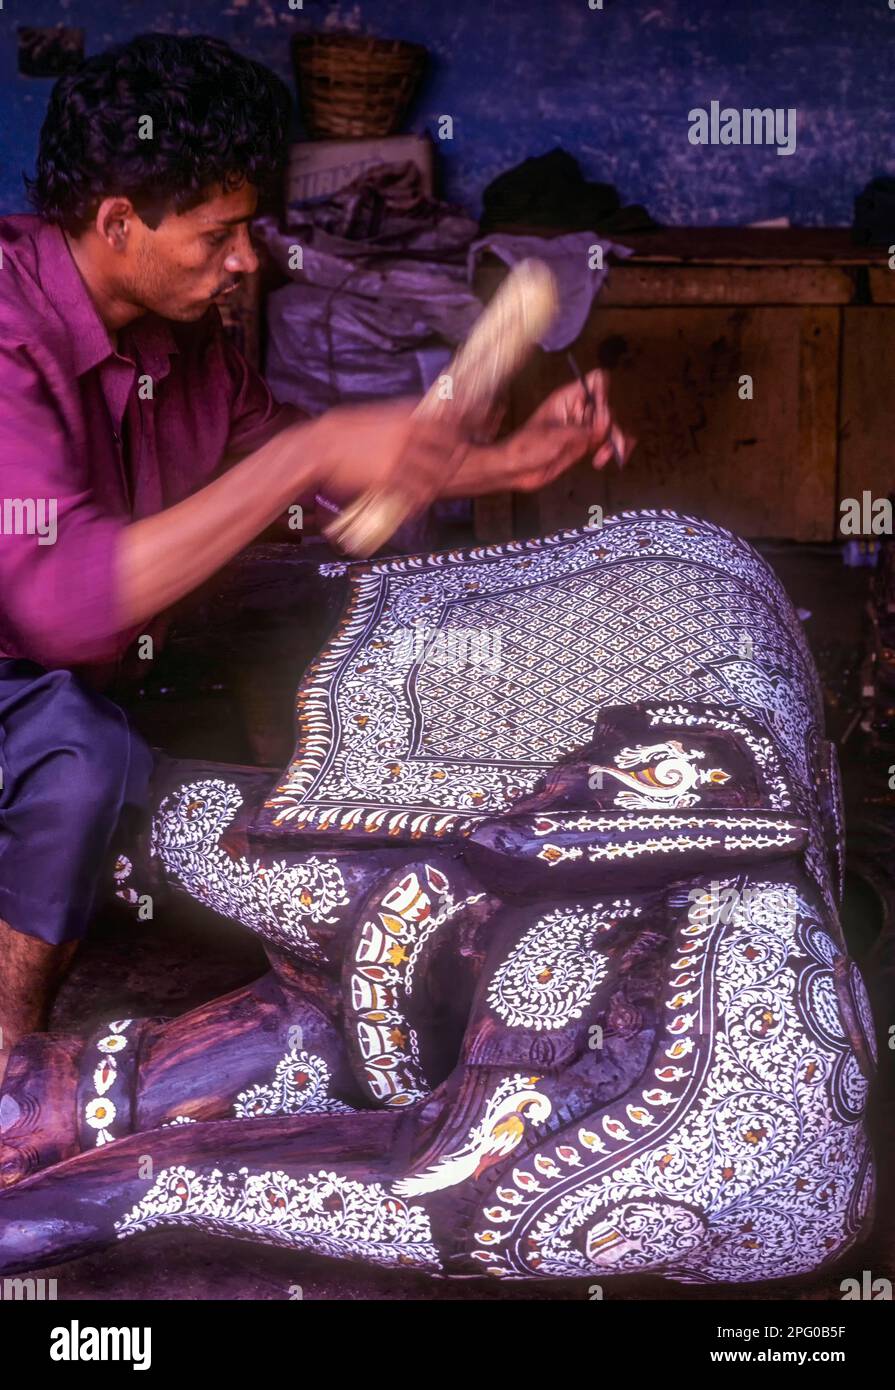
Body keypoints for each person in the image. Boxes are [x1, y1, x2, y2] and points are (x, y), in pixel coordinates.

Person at [0, 33, 627, 1086]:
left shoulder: (181, 344)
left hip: (45, 685)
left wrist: (506, 458)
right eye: (220, 234)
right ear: (117, 222)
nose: (247, 259)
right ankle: (9, 1064)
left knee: (300, 640)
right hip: (30, 676)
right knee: (79, 745)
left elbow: (327, 487)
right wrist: (310, 453)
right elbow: (62, 609)